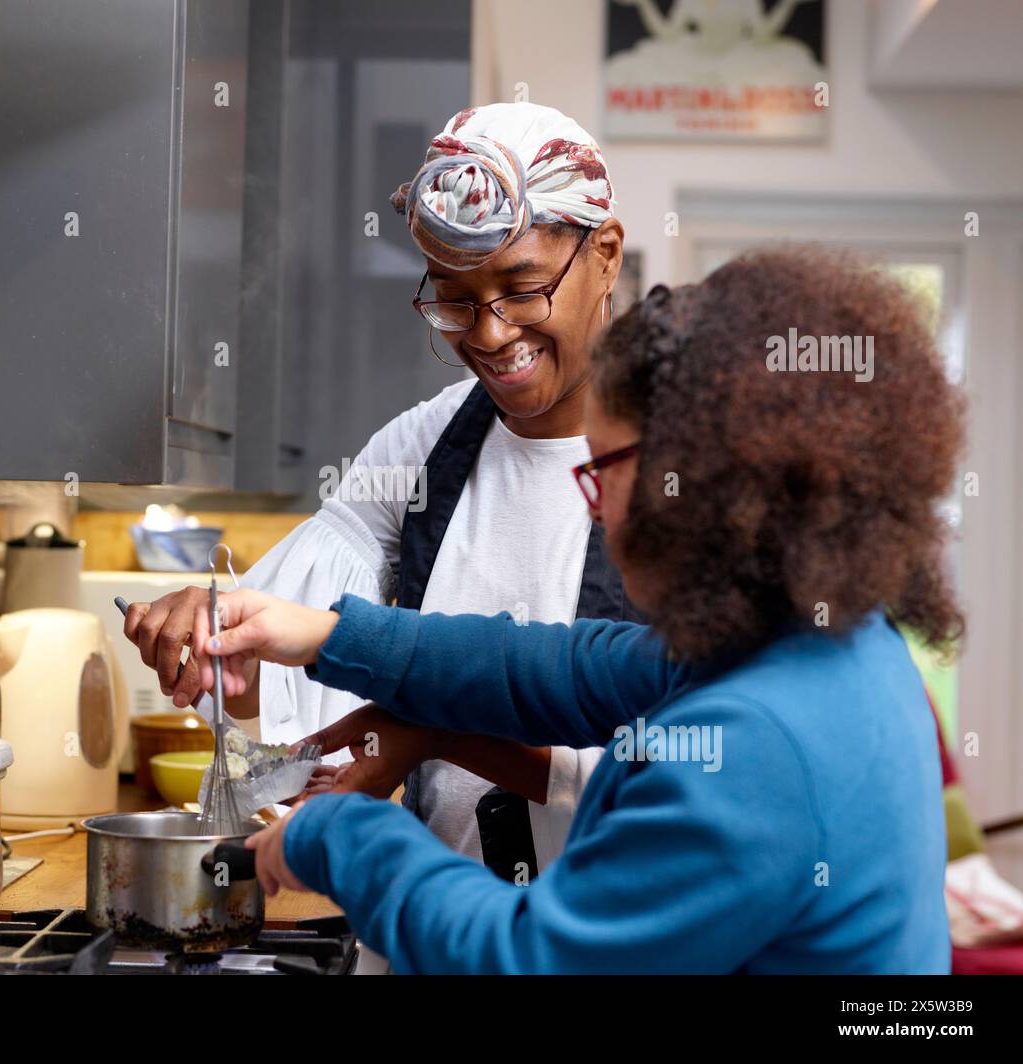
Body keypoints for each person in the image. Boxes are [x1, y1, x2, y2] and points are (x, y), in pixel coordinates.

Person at [191, 246, 962, 974]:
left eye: (601, 473)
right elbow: (560, 666)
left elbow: (525, 957)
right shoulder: (823, 639)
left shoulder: (757, 750)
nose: (592, 511)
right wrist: (325, 635)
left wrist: (339, 837)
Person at [125, 102, 641, 875]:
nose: (490, 334)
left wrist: (424, 729)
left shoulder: (684, 470)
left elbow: (669, 776)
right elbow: (310, 651)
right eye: (455, 299)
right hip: (443, 920)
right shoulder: (428, 446)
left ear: (605, 253)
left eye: (522, 288)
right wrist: (230, 653)